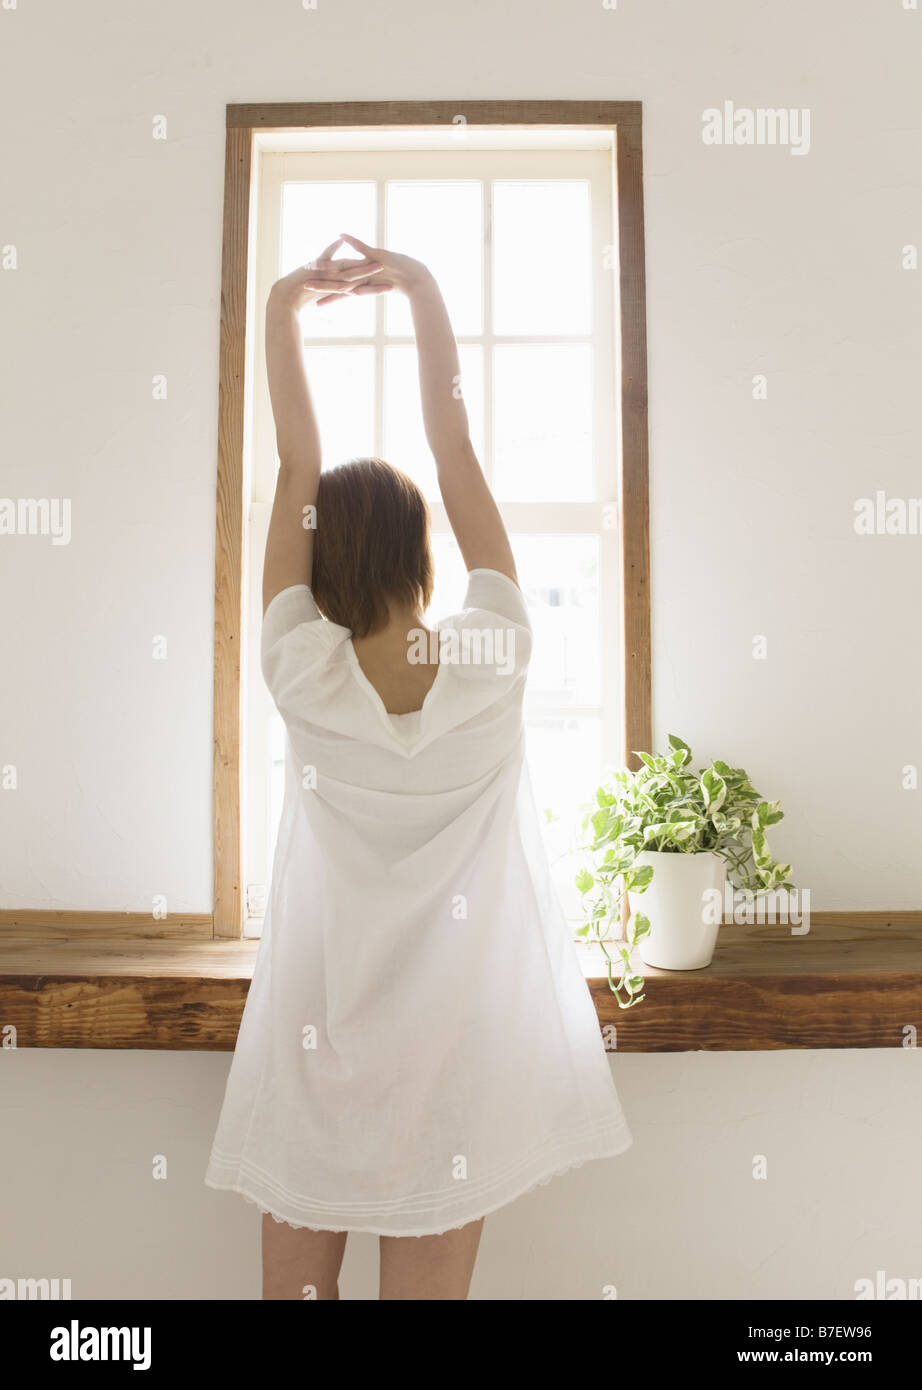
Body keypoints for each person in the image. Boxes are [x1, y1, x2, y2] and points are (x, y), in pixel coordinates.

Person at [205, 234, 632, 1300]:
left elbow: (296, 464)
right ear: (419, 555)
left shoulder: (301, 670)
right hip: (456, 1054)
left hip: (318, 1043)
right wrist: (423, 291)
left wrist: (282, 305)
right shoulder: (492, 659)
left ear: (324, 560)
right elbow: (456, 453)